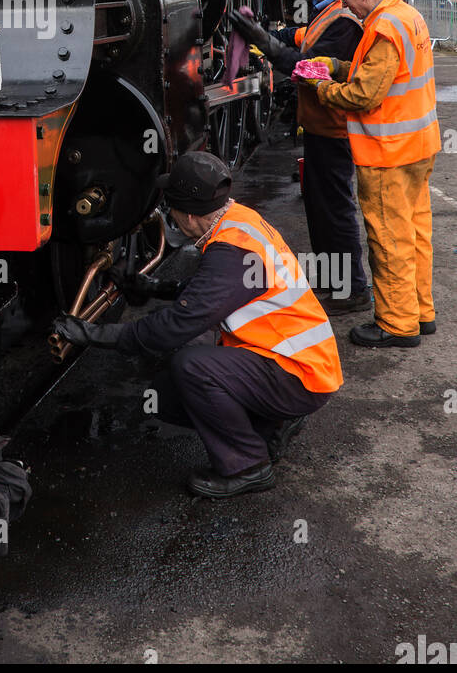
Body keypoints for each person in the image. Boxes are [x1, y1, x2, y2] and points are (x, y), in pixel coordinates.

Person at [53, 152, 343, 499]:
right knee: (163, 394)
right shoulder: (237, 219)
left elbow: (175, 326)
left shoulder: (233, 253)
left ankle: (248, 466)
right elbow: (216, 293)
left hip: (300, 374)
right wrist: (156, 288)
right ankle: (271, 422)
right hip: (295, 359)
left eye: (172, 209)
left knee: (191, 367)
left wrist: (93, 335)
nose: (170, 217)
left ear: (189, 215)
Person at [227, 0, 370, 315]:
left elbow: (310, 67)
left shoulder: (346, 22)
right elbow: (304, 37)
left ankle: (352, 290)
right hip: (323, 128)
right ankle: (333, 282)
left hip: (336, 129)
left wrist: (264, 43)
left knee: (334, 211)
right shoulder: (328, 14)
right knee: (322, 212)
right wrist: (272, 33)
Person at [305, 0, 440, 347]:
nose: (343, 2)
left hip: (388, 153)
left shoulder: (381, 27)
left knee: (389, 238)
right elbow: (382, 73)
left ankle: (397, 325)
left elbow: (365, 94)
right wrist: (335, 64)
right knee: (415, 232)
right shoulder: (406, 16)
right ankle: (420, 311)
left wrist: (321, 87)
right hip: (419, 145)